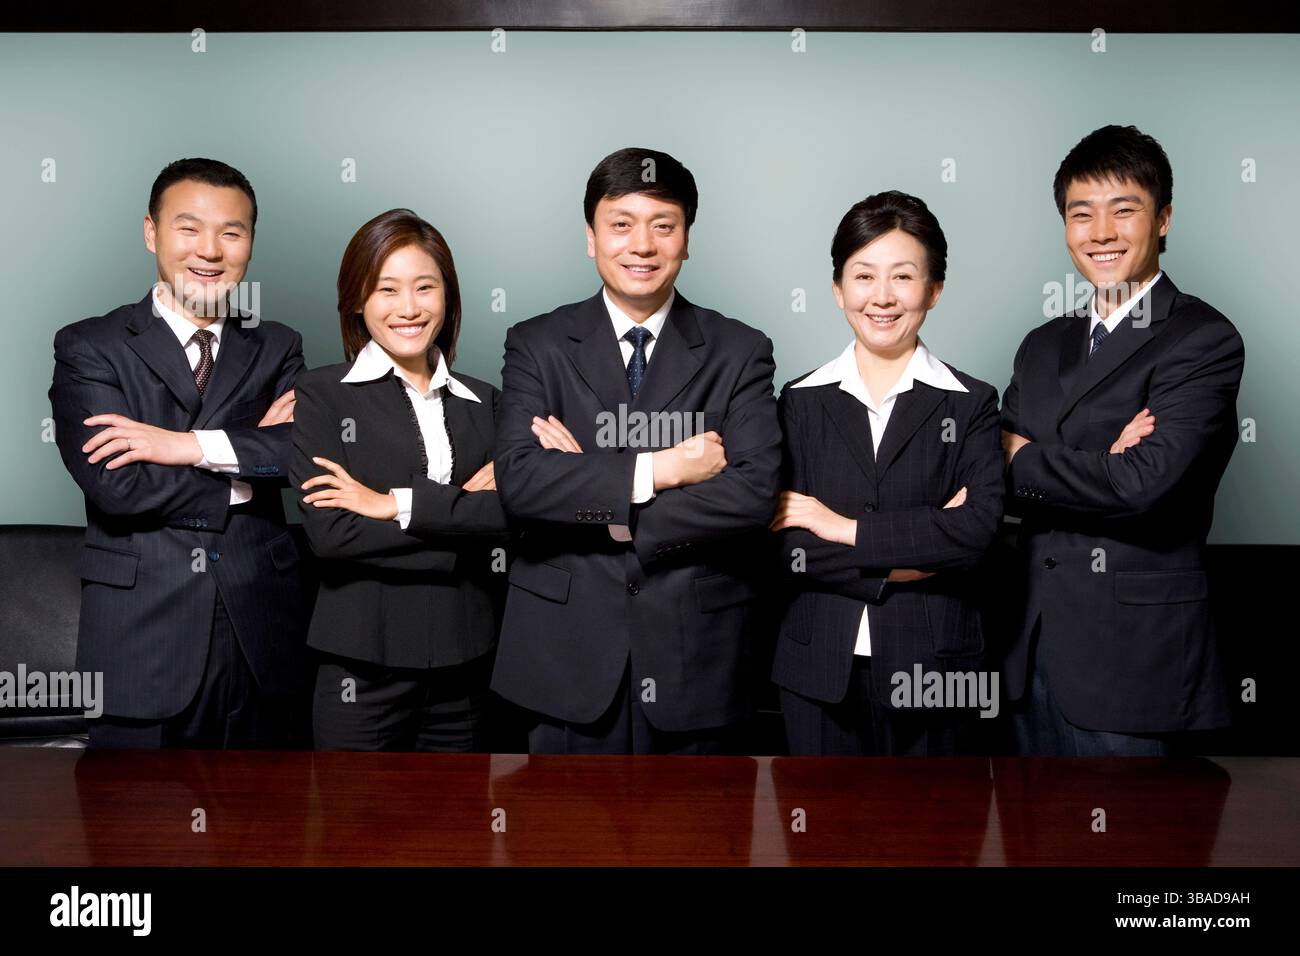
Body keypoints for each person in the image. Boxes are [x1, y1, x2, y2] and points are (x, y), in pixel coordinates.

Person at [490, 147, 782, 754]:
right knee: (561, 817)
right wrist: (661, 469)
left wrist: (592, 492)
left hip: (696, 656)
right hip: (565, 654)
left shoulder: (740, 350)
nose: (642, 245)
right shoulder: (537, 343)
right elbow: (520, 482)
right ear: (590, 237)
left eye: (663, 225)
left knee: (696, 818)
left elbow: (753, 494)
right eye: (620, 224)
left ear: (686, 239)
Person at [1001, 125, 1246, 755]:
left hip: (1136, 662)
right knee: (1031, 821)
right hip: (1028, 649)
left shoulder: (1202, 339)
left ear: (1163, 219)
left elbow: (1144, 486)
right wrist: (1097, 463)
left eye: (1124, 210)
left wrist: (1027, 457)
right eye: (1082, 214)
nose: (1101, 233)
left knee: (1131, 822)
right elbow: (988, 474)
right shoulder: (1041, 345)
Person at [49, 158, 305, 748]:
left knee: (269, 807)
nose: (209, 250)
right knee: (133, 807)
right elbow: (118, 486)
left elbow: (299, 454)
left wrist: (182, 446)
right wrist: (246, 471)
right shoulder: (90, 345)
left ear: (251, 241)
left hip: (262, 631)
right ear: (151, 232)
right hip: (142, 637)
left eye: (231, 232)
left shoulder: (277, 344)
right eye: (189, 228)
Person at [769, 191, 1004, 756]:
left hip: (938, 669)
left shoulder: (971, 403)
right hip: (817, 668)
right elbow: (786, 547)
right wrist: (921, 551)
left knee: (938, 816)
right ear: (837, 289)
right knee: (820, 816)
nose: (881, 297)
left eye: (903, 276)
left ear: (934, 290)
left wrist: (843, 528)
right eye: (863, 276)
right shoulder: (798, 402)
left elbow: (975, 536)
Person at [291, 209, 508, 752]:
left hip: (467, 663)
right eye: (386, 289)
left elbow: (511, 522)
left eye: (425, 287)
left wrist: (392, 504)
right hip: (360, 665)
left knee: (459, 811)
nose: (408, 308)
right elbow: (332, 535)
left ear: (448, 296)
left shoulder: (486, 403)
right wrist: (462, 516)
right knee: (351, 810)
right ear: (357, 300)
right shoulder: (322, 395)